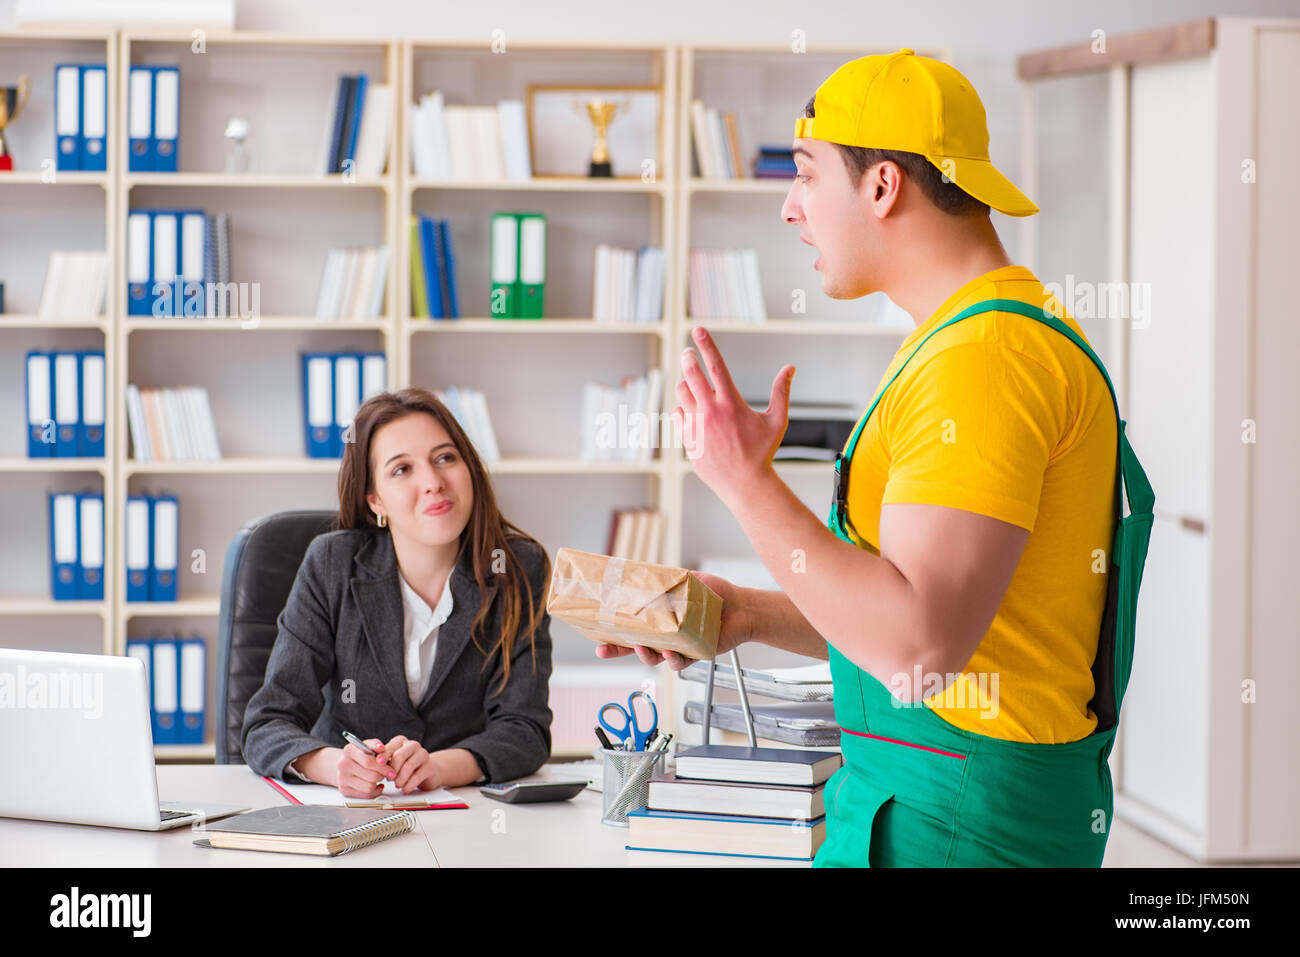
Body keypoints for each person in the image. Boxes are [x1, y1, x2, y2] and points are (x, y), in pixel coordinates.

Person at [599, 49, 1131, 866]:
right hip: (934, 797)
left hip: (957, 821)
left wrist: (744, 482)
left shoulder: (981, 358)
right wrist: (748, 613)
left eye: (806, 174)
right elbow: (918, 617)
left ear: (883, 186)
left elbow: (919, 646)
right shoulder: (975, 336)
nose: (789, 207)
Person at [242, 388, 553, 798]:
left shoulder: (516, 568)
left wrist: (439, 767)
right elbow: (267, 723)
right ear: (375, 501)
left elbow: (525, 730)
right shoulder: (332, 563)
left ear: (470, 470)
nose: (433, 483)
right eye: (402, 470)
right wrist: (334, 766)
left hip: (467, 819)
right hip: (347, 817)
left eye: (445, 458)